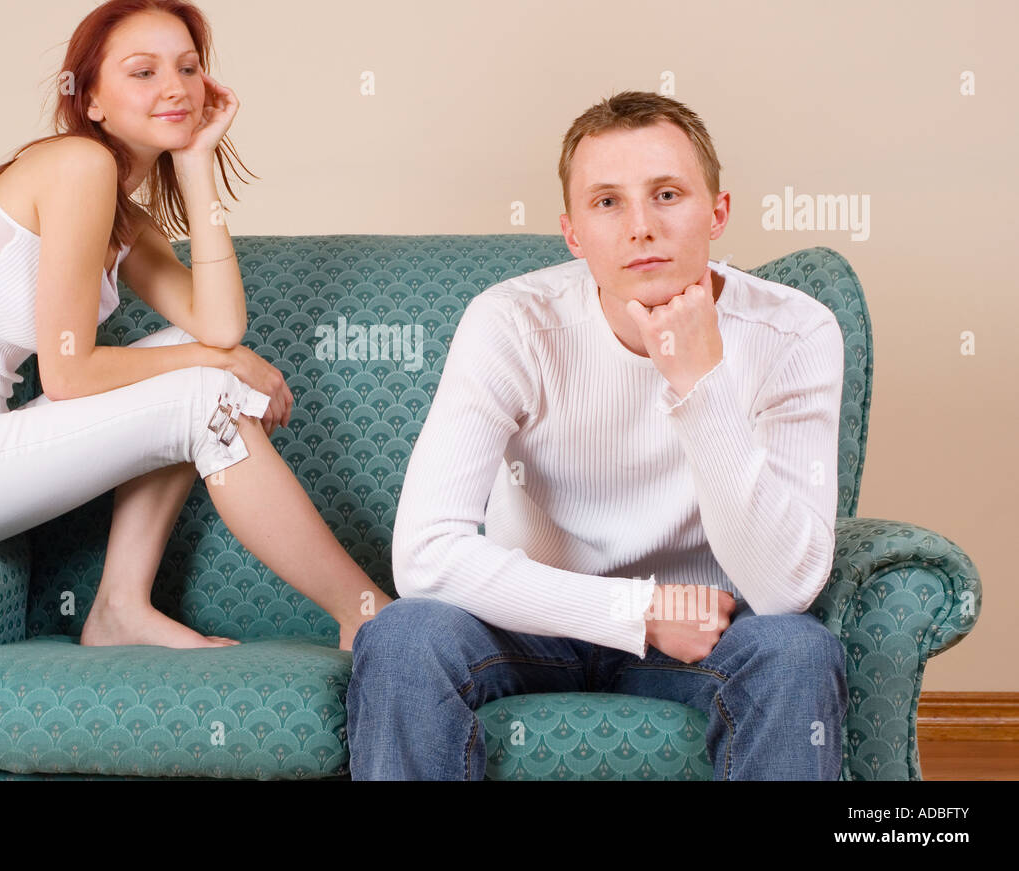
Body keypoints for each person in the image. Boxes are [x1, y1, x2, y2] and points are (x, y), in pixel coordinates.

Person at [0, 0, 393, 651]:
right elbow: (70, 373)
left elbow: (219, 328)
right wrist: (216, 363)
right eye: (143, 71)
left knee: (197, 355)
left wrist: (194, 166)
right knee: (204, 384)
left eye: (189, 69)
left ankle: (121, 607)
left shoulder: (123, 214)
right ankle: (366, 614)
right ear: (91, 99)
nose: (176, 88)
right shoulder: (78, 165)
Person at [347, 90, 848, 780]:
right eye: (608, 202)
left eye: (667, 193)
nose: (641, 226)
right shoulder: (512, 323)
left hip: (705, 633)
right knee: (405, 635)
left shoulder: (796, 331)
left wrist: (700, 385)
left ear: (718, 212)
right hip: (534, 622)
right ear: (574, 232)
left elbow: (786, 585)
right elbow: (426, 555)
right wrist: (637, 610)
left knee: (797, 649)